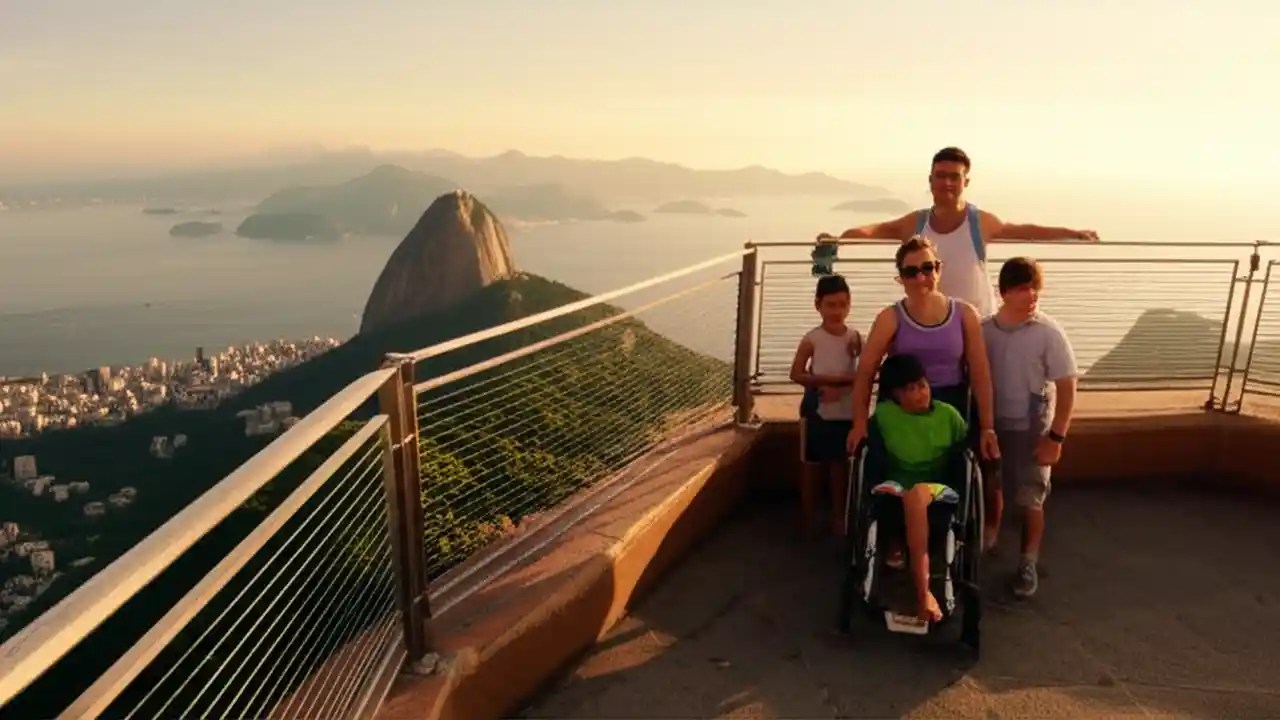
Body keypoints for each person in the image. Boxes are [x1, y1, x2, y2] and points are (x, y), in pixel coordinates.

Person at [816, 146, 1100, 316]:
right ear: (931, 179)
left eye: (955, 177)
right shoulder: (916, 223)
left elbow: (1024, 230)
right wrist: (839, 238)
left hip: (978, 327)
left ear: (966, 181)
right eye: (941, 176)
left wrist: (1072, 233)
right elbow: (876, 229)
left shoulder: (979, 222)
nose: (947, 183)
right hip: (933, 325)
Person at [845, 236, 1000, 463]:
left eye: (928, 268)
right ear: (900, 278)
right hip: (903, 406)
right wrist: (859, 423)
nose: (920, 278)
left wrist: (987, 427)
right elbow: (866, 372)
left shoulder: (965, 314)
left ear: (939, 270)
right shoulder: (890, 318)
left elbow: (980, 373)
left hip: (949, 406)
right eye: (911, 272)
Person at [982, 256, 1079, 599]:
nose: (1031, 295)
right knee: (992, 481)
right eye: (1022, 288)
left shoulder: (1048, 333)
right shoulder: (984, 331)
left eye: (1034, 287)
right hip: (993, 425)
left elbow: (1067, 387)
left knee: (1031, 497)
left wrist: (1056, 437)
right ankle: (989, 533)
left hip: (1032, 427)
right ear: (1003, 292)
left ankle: (1027, 561)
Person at [868, 352, 968, 623]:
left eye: (922, 385)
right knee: (899, 493)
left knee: (917, 495)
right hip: (895, 484)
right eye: (909, 389)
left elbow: (965, 455)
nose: (920, 393)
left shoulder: (949, 416)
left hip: (938, 488)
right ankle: (897, 546)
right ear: (895, 395)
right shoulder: (885, 415)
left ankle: (922, 592)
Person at [789, 274, 862, 539]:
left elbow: (863, 374)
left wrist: (842, 388)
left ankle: (839, 518)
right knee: (811, 464)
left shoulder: (855, 338)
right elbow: (796, 374)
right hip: (817, 407)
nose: (837, 311)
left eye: (842, 305)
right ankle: (807, 519)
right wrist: (825, 384)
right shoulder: (813, 338)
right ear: (818, 305)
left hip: (844, 409)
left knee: (839, 465)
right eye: (830, 305)